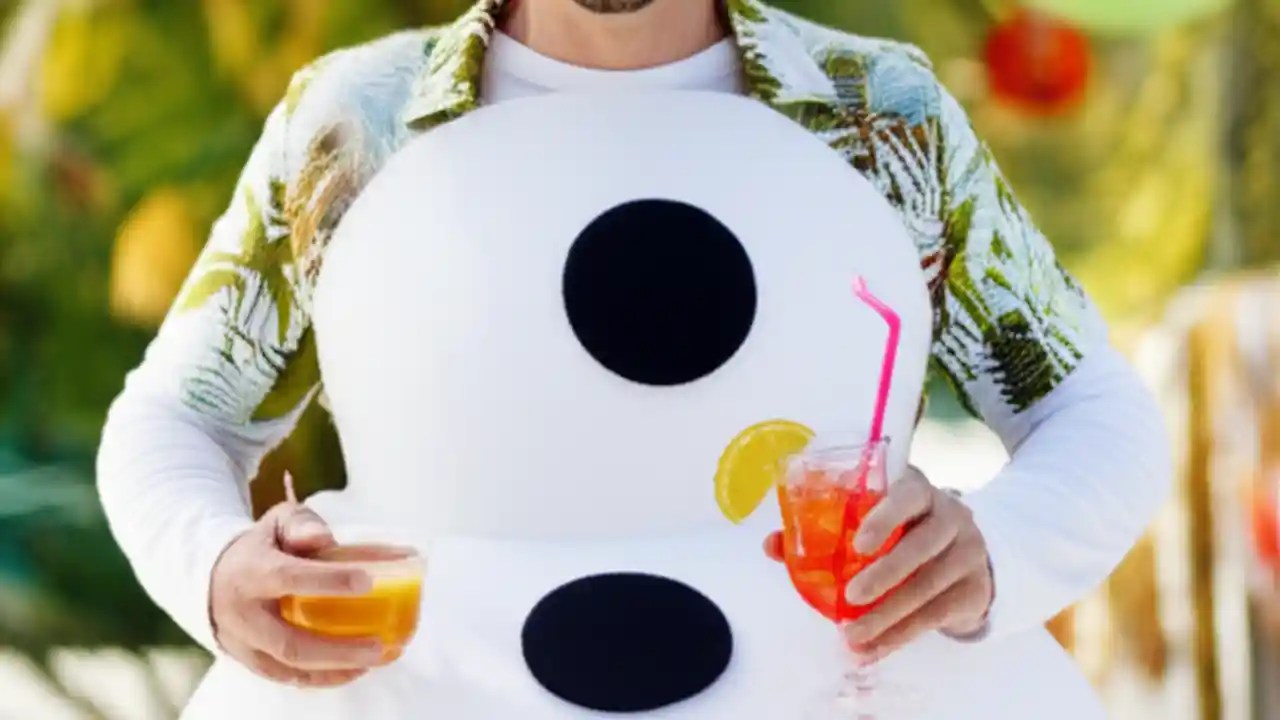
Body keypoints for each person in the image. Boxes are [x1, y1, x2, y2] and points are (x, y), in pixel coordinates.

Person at [96, 0, 1172, 716]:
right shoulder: (353, 124)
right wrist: (213, 565)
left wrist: (993, 548)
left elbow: (1089, 407)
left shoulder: (880, 116)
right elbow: (175, 418)